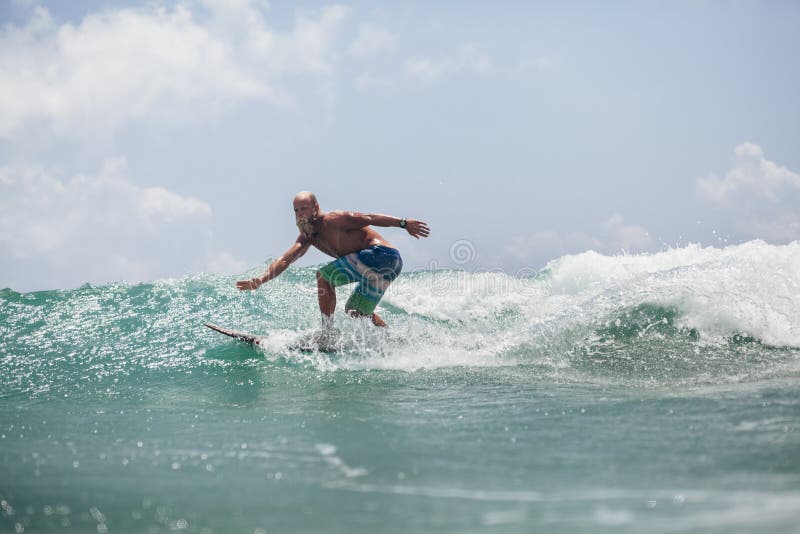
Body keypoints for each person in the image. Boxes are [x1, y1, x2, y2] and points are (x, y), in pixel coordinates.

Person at [236, 191, 430, 328]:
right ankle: (391, 341)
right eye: (296, 210)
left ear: (316, 207)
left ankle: (327, 333)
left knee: (324, 277)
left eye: (304, 209)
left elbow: (369, 218)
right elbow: (286, 259)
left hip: (381, 255)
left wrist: (404, 223)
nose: (300, 214)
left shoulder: (334, 220)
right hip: (391, 267)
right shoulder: (307, 237)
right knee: (356, 311)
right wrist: (261, 280)